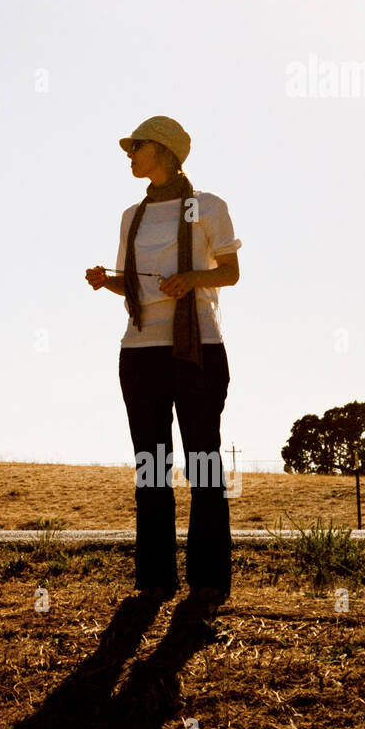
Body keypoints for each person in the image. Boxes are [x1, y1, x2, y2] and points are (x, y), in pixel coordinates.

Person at [85, 116, 241, 604]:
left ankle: (209, 581)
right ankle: (155, 579)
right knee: (150, 465)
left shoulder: (208, 206)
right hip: (139, 351)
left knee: (204, 463)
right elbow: (132, 282)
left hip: (197, 349)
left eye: (138, 147)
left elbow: (231, 273)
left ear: (166, 151)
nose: (129, 155)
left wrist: (191, 280)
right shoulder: (130, 216)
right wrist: (104, 280)